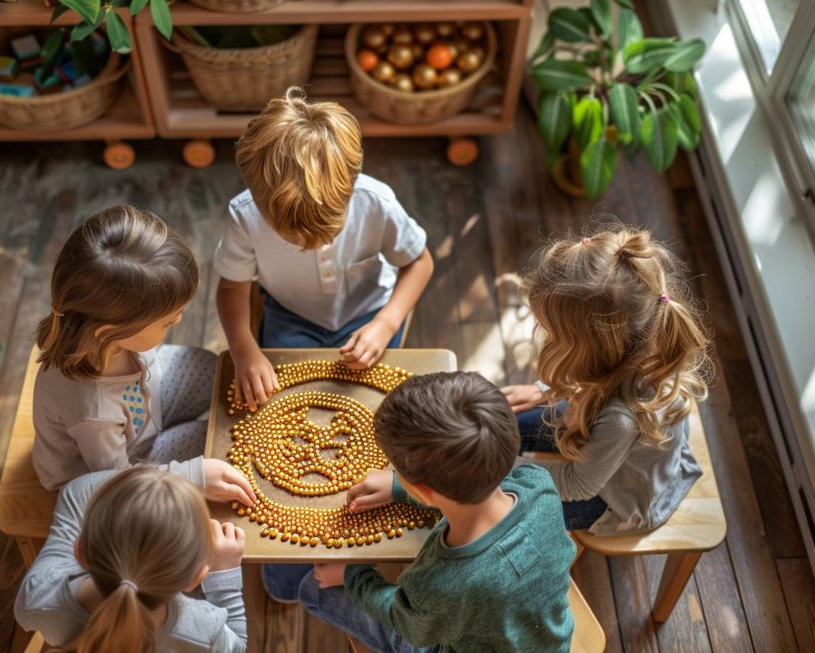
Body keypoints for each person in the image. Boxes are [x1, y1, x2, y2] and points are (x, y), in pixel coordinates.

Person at [300, 372, 576, 653]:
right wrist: (400, 486)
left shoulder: (440, 583)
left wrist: (351, 575)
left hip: (448, 636)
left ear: (424, 491)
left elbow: (407, 623)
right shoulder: (538, 485)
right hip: (550, 638)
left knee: (311, 588)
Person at [214, 87, 434, 413]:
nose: (309, 245)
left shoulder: (376, 202)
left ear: (350, 191)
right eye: (293, 236)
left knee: (376, 406)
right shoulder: (246, 215)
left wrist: (386, 323)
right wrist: (243, 349)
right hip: (292, 316)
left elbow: (420, 262)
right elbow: (232, 287)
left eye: (325, 232)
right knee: (282, 403)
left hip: (370, 311)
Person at [501, 223, 712, 533]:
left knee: (502, 508)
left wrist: (499, 469)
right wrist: (544, 391)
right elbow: (592, 380)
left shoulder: (621, 418)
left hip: (616, 498)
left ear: (595, 348)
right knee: (504, 425)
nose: (545, 338)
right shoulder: (632, 348)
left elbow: (577, 484)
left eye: (554, 335)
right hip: (601, 425)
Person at [32, 205, 217, 490]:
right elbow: (119, 482)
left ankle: (169, 432)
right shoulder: (94, 414)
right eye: (167, 322)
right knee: (213, 442)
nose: (179, 319)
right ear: (111, 332)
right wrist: (194, 475)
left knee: (213, 369)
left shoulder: (103, 334)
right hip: (118, 470)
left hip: (143, 412)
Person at [15, 459, 256, 652]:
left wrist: (181, 475)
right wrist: (224, 575)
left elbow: (76, 493)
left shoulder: (38, 597)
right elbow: (237, 645)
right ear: (195, 579)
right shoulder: (203, 629)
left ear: (80, 551)